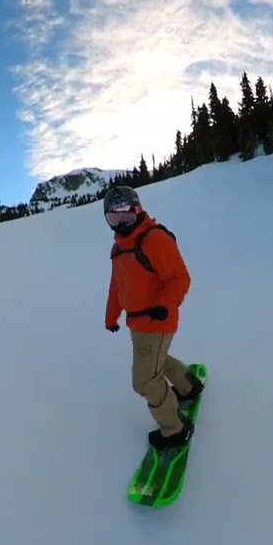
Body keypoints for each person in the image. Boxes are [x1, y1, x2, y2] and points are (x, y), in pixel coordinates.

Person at [102, 184, 203, 452]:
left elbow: (180, 278)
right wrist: (111, 317)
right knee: (154, 361)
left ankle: (175, 430)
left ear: (137, 210)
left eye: (124, 215)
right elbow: (117, 286)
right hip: (137, 324)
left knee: (144, 381)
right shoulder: (120, 249)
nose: (120, 224)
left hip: (157, 320)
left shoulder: (153, 239)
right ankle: (187, 386)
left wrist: (164, 305)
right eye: (113, 219)